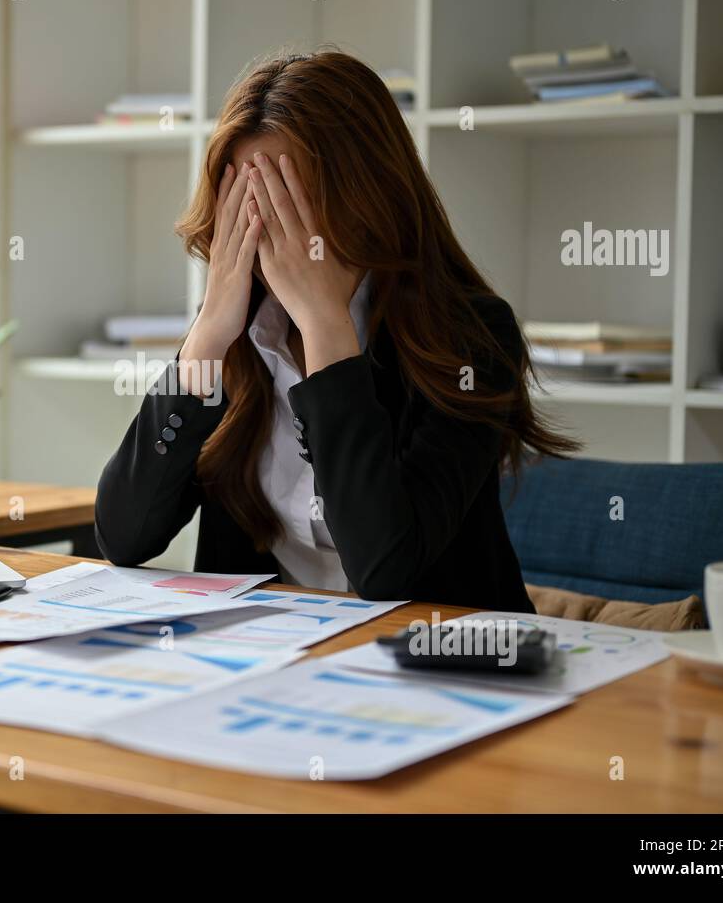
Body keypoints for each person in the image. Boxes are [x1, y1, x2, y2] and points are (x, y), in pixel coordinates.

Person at [95, 50, 577, 612]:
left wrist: (326, 331)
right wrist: (205, 340)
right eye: (249, 203)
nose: (266, 229)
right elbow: (123, 538)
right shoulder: (237, 336)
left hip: (438, 667)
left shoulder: (469, 340)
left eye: (286, 201)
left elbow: (385, 569)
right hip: (269, 662)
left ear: (366, 196)